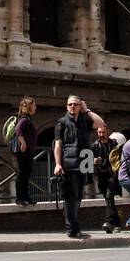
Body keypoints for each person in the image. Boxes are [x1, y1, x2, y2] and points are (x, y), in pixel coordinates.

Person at [52, 95, 106, 239]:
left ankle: (73, 225)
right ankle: (72, 229)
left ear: (79, 106)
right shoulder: (61, 123)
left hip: (84, 161)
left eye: (75, 104)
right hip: (69, 163)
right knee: (71, 197)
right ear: (66, 106)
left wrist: (87, 110)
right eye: (70, 104)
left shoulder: (84, 122)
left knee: (79, 197)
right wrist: (58, 164)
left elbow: (101, 124)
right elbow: (58, 144)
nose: (72, 107)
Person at [90, 125, 122, 233]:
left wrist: (116, 167)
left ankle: (108, 222)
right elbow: (88, 161)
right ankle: (117, 224)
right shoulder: (94, 146)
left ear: (107, 132)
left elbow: (120, 159)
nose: (101, 135)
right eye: (99, 133)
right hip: (101, 177)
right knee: (109, 200)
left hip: (112, 175)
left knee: (109, 196)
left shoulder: (114, 144)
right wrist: (93, 161)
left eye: (103, 132)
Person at [13, 96, 38, 206]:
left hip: (28, 151)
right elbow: (18, 129)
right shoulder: (24, 119)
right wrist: (23, 143)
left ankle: (26, 196)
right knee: (22, 174)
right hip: (24, 151)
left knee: (26, 174)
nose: (36, 107)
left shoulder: (27, 119)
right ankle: (19, 198)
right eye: (34, 105)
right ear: (29, 107)